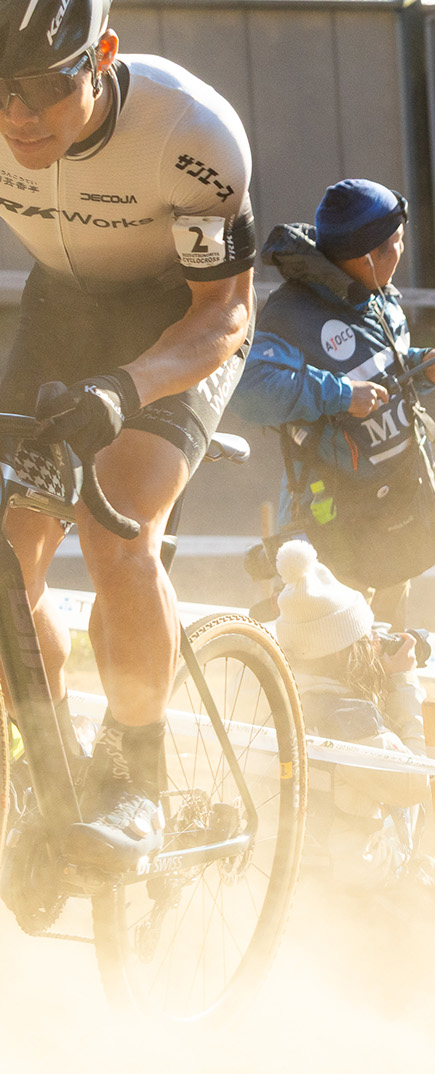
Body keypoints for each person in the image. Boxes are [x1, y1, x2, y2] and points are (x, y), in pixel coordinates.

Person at [0, 0, 257, 870]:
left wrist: (129, 387)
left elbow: (222, 311)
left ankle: (137, 778)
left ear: (103, 55)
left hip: (176, 317)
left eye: (42, 85)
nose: (17, 116)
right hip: (61, 311)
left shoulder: (190, 133)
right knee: (7, 561)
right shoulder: (11, 111)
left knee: (120, 527)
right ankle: (50, 759)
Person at [232, 178, 435, 628]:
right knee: (327, 655)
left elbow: (382, 370)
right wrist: (339, 395)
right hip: (331, 521)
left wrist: (424, 367)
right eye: (395, 242)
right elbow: (248, 390)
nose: (402, 251)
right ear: (365, 255)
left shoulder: (377, 294)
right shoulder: (289, 314)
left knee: (387, 649)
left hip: (395, 509)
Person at [273, 540, 435, 933]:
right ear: (343, 651)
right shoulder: (349, 719)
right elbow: (420, 781)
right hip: (357, 885)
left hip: (280, 881)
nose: (374, 646)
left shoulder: (267, 701)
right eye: (365, 639)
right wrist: (403, 682)